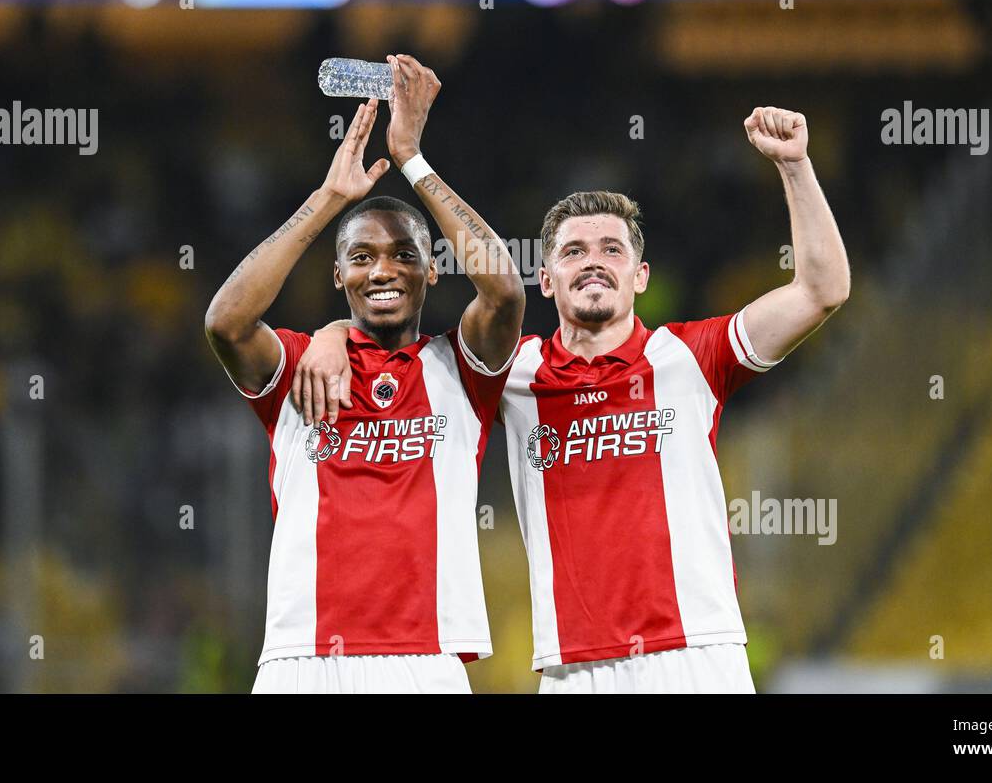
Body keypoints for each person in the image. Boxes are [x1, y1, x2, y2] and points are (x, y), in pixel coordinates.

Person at [296, 106, 849, 692]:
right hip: (571, 668)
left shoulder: (690, 357)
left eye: (612, 250)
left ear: (641, 276)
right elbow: (405, 338)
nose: (593, 261)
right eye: (572, 251)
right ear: (546, 279)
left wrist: (795, 167)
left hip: (696, 652)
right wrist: (337, 333)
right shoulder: (512, 372)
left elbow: (822, 289)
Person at [204, 54, 524, 693]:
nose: (383, 270)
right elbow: (226, 322)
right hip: (302, 656)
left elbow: (506, 291)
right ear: (338, 275)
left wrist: (411, 159)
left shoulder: (460, 371)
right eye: (361, 257)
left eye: (405, 255)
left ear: (432, 271)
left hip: (424, 660)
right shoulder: (300, 365)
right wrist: (328, 200)